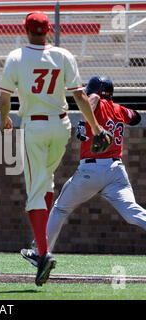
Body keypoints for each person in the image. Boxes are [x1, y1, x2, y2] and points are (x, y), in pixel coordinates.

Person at [0, 11, 107, 286]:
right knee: (45, 183)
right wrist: (96, 128)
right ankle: (41, 246)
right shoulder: (63, 55)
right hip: (61, 126)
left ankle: (43, 252)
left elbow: (4, 96)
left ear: (25, 29)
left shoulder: (16, 57)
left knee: (34, 191)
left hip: (35, 126)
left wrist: (3, 119)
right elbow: (80, 95)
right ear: (49, 30)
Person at [21, 75, 145, 267]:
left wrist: (82, 122)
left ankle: (40, 253)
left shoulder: (96, 101)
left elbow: (93, 99)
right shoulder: (119, 109)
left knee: (60, 208)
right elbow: (136, 117)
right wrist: (116, 111)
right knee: (131, 213)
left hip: (92, 169)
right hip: (116, 171)